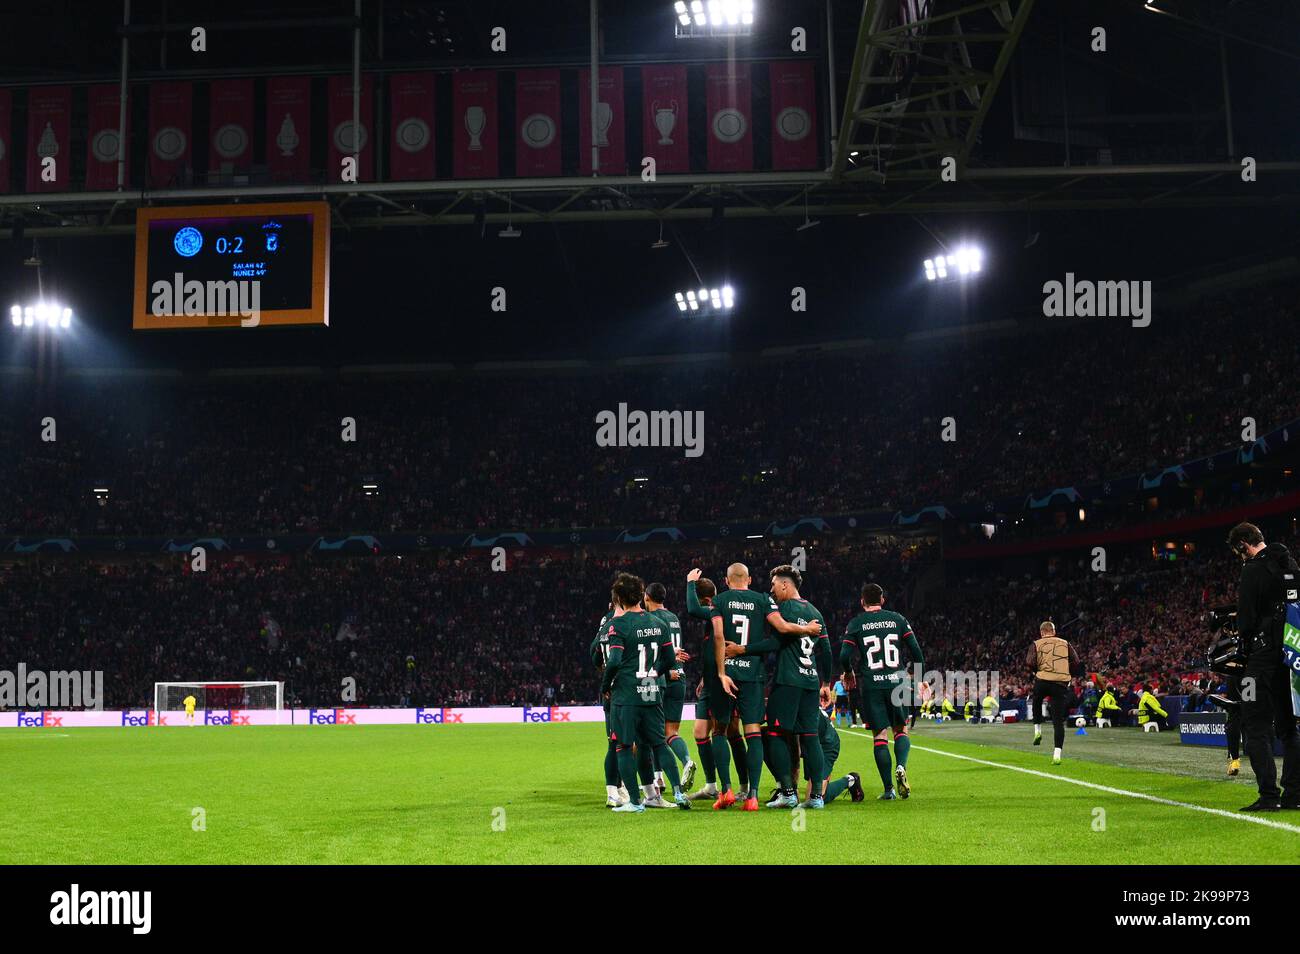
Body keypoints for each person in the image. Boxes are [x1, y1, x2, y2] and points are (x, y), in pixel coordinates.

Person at [689, 563, 821, 811]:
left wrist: (719, 673)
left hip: (726, 674)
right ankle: (752, 796)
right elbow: (781, 628)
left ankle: (726, 791)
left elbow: (718, 636)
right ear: (749, 579)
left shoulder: (720, 600)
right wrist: (807, 628)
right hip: (753, 675)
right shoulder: (763, 600)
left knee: (719, 730)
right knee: (752, 732)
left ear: (727, 581)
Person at [725, 565, 832, 808]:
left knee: (773, 734)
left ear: (785, 584)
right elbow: (825, 651)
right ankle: (816, 797)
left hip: (788, 680)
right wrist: (826, 683)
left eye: (774, 584)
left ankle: (787, 792)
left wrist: (742, 649)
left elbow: (774, 642)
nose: (771, 589)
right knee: (810, 736)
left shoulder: (783, 609)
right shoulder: (815, 611)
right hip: (811, 681)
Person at [600, 573, 690, 812]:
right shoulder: (658, 624)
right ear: (641, 596)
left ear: (618, 598)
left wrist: (605, 686)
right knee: (659, 743)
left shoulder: (618, 625)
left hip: (626, 695)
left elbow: (615, 660)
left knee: (624, 746)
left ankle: (635, 802)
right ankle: (679, 793)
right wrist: (652, 673)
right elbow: (670, 660)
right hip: (651, 693)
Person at [1226, 522, 1300, 811]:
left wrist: (1244, 644)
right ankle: (1294, 795)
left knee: (1253, 724)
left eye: (1238, 551)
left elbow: (1246, 619)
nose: (1239, 557)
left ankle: (1268, 796)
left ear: (1244, 544)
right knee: (1289, 727)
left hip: (1262, 655)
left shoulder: (1252, 569)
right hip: (1291, 653)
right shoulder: (1289, 563)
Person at [840, 583, 922, 800]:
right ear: (882, 600)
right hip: (897, 682)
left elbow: (843, 656)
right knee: (901, 729)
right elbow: (916, 652)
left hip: (872, 684)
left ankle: (888, 790)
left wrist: (849, 672)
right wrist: (921, 679)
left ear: (862, 601)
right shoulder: (898, 619)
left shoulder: (856, 623)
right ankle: (901, 766)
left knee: (880, 736)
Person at [644, 582, 697, 792]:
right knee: (671, 732)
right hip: (680, 676)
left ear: (647, 597)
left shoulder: (651, 620)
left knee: (654, 733)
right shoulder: (674, 618)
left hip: (662, 678)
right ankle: (686, 761)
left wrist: (664, 672)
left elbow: (652, 653)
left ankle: (658, 778)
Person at [1027, 620, 1081, 765]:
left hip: (1043, 679)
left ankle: (1037, 729)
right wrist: (1066, 672)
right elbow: (1076, 661)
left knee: (1037, 700)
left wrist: (1037, 671)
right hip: (1060, 683)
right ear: (1054, 631)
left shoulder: (1036, 643)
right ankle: (1057, 754)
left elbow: (1030, 662)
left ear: (1041, 632)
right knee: (1058, 721)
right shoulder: (1065, 643)